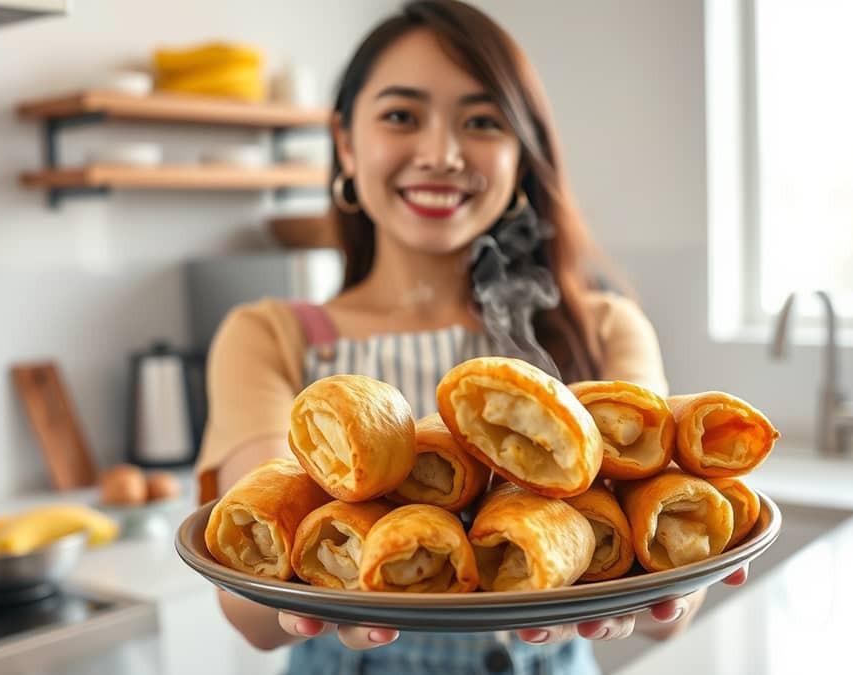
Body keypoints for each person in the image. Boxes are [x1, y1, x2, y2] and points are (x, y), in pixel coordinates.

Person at [194, 1, 746, 672]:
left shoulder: (606, 326)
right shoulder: (268, 337)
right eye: (401, 115)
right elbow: (250, 596)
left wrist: (663, 590)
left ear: (523, 154)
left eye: (482, 122)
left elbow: (667, 602)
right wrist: (328, 594)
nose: (441, 154)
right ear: (345, 142)